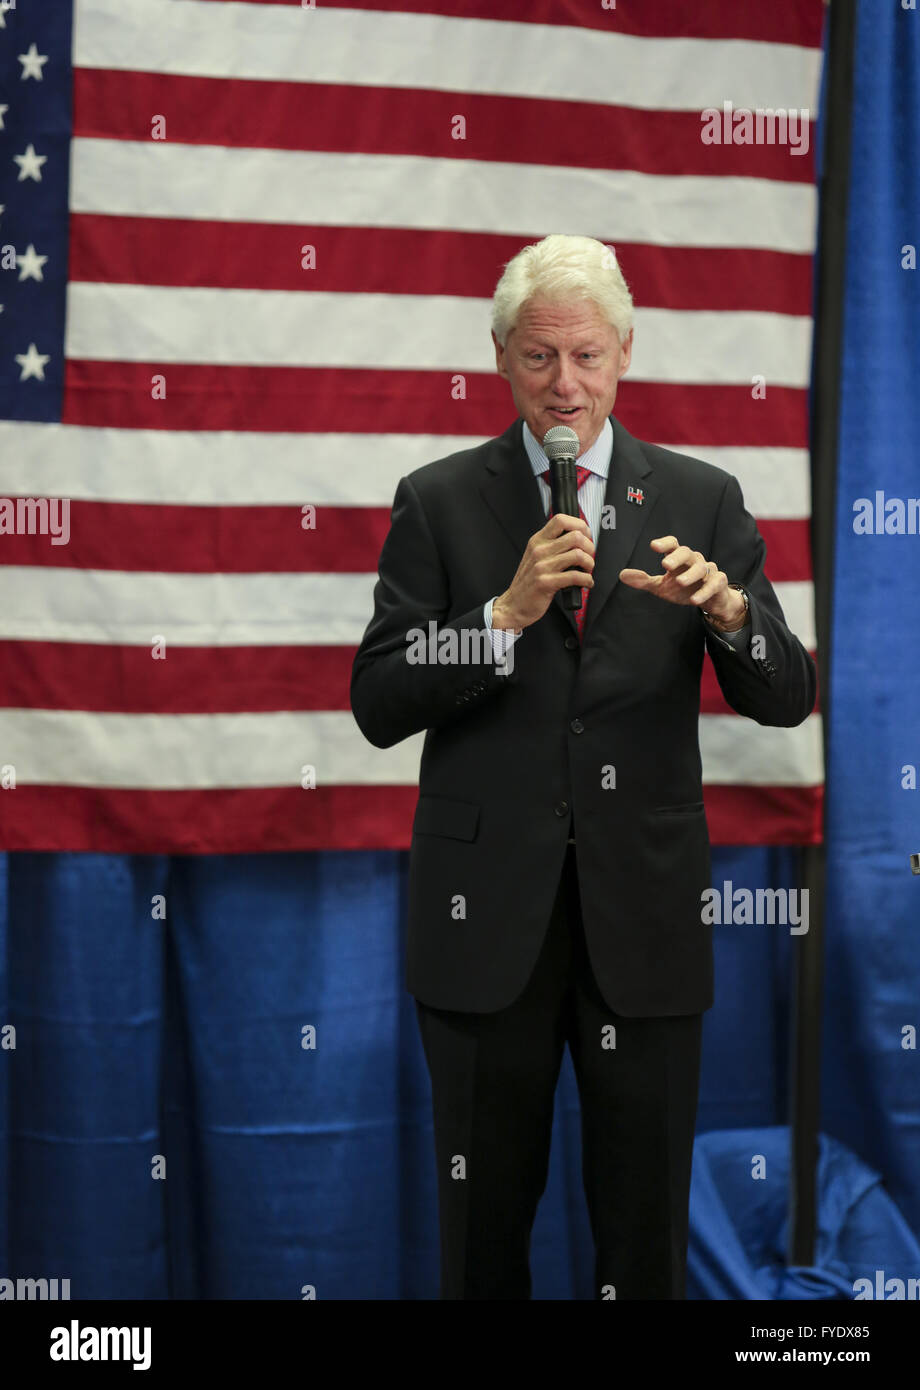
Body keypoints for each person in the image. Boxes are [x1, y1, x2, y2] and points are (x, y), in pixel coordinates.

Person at [350, 234, 816, 1300]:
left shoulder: (699, 499)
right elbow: (377, 702)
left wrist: (730, 613)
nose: (564, 385)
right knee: (481, 1238)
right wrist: (501, 615)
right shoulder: (439, 499)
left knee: (641, 1237)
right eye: (537, 357)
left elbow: (786, 695)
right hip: (483, 923)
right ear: (500, 357)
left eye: (587, 357)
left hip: (640, 919)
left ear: (625, 354)